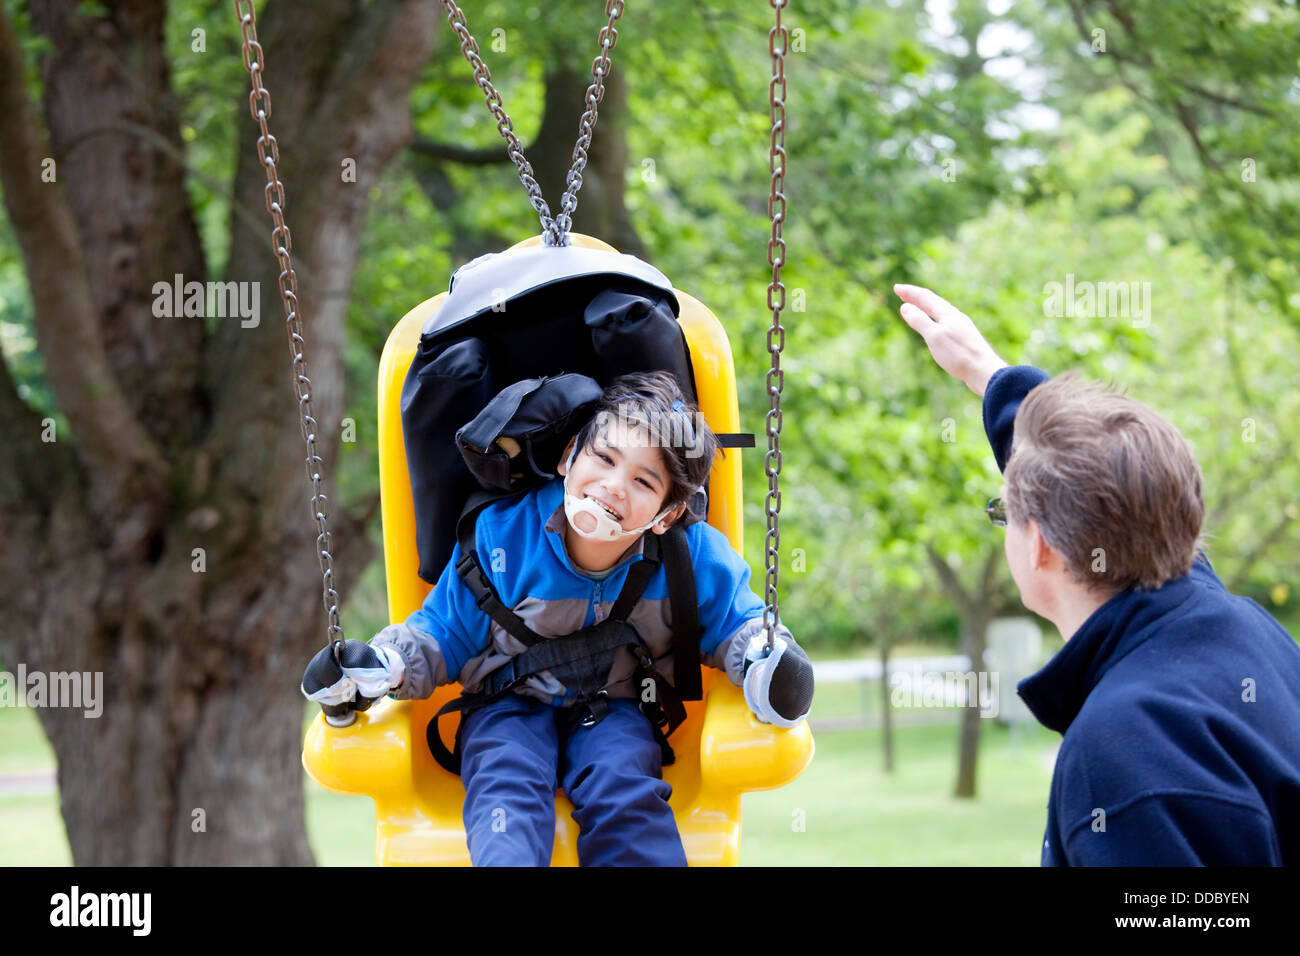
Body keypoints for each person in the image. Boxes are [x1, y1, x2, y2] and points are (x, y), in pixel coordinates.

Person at [302, 370, 814, 866]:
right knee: (505, 799)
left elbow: (738, 622)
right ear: (569, 457)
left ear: (668, 514)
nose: (613, 486)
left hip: (616, 708)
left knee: (625, 795)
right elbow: (444, 630)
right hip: (506, 705)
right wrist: (383, 666)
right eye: (604, 458)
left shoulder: (692, 556)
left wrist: (765, 662)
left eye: (642, 480)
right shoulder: (503, 534)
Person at [895, 282, 1300, 866]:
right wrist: (988, 374)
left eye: (1003, 512)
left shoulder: (1125, 751)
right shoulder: (1234, 624)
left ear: (1039, 545)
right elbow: (1111, 473)